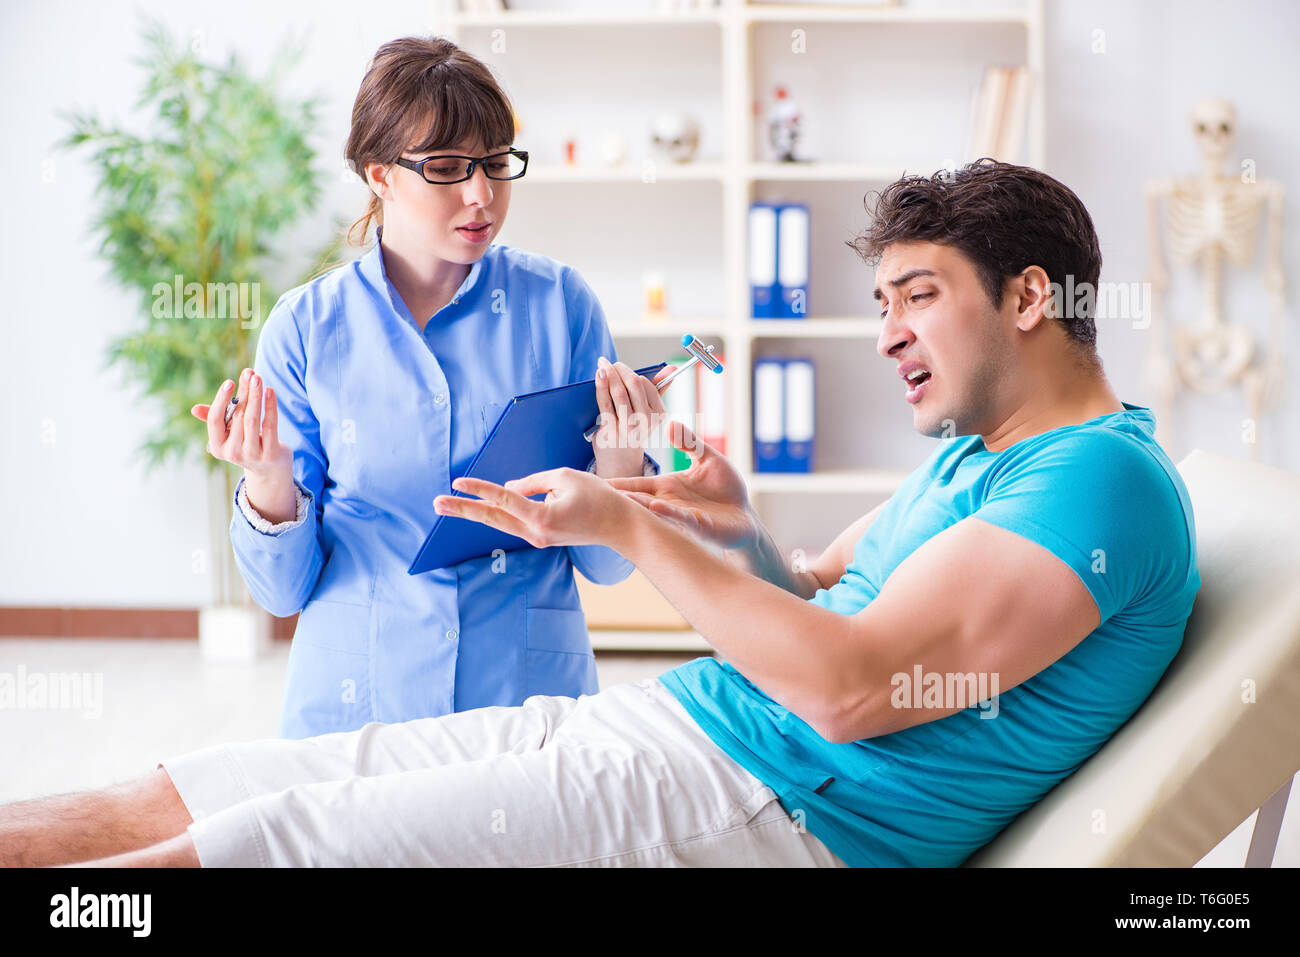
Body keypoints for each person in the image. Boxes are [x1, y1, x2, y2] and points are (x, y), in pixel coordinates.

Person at [3, 160, 1200, 868]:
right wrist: (728, 528)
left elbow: (847, 692)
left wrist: (628, 528)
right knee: (233, 779)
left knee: (289, 841)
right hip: (686, 731)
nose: (886, 329)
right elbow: (818, 606)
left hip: (768, 803)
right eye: (880, 300)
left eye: (917, 295)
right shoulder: (977, 460)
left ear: (1032, 296)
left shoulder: (1096, 482)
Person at [188, 36, 669, 739]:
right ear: (379, 175)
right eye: (446, 168)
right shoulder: (306, 327)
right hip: (359, 717)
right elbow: (281, 591)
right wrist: (268, 477)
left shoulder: (560, 304)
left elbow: (605, 565)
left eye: (497, 164)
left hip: (526, 707)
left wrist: (621, 464)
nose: (481, 195)